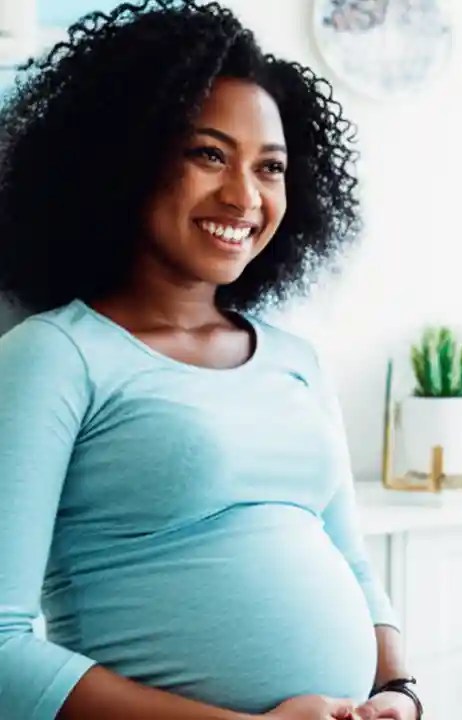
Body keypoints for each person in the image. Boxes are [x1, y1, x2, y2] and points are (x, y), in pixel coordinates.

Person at [0, 2, 421, 719]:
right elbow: (4, 652)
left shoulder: (295, 360)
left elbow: (354, 568)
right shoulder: (54, 357)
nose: (244, 196)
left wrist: (400, 694)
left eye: (271, 167)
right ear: (127, 157)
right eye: (208, 154)